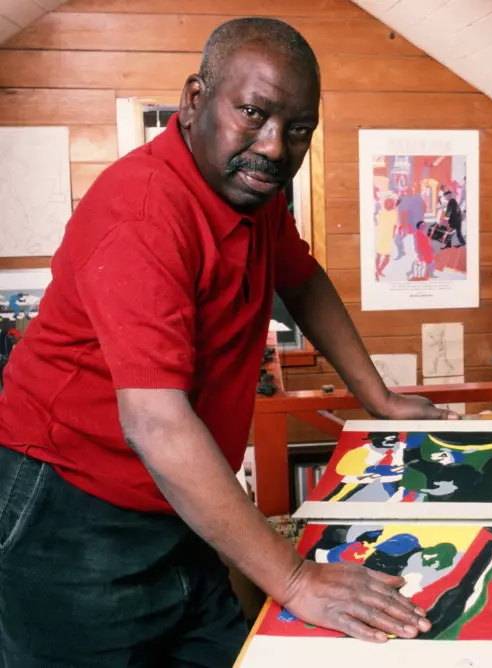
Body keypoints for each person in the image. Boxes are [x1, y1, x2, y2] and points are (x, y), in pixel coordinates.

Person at [0, 17, 456, 668]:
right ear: (193, 101)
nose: (273, 148)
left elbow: (302, 280)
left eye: (297, 130)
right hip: (67, 511)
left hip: (177, 502)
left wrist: (377, 395)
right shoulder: (143, 210)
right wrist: (295, 579)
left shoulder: (253, 191)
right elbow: (155, 424)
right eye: (253, 113)